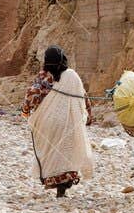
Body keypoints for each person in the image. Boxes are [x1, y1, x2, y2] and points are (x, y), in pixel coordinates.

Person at [23, 46, 93, 197]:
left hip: (48, 123)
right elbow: (82, 96)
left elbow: (32, 94)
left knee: (52, 152)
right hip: (69, 122)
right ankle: (63, 188)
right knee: (67, 153)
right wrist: (88, 115)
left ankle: (53, 180)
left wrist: (26, 110)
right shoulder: (72, 76)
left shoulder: (44, 77)